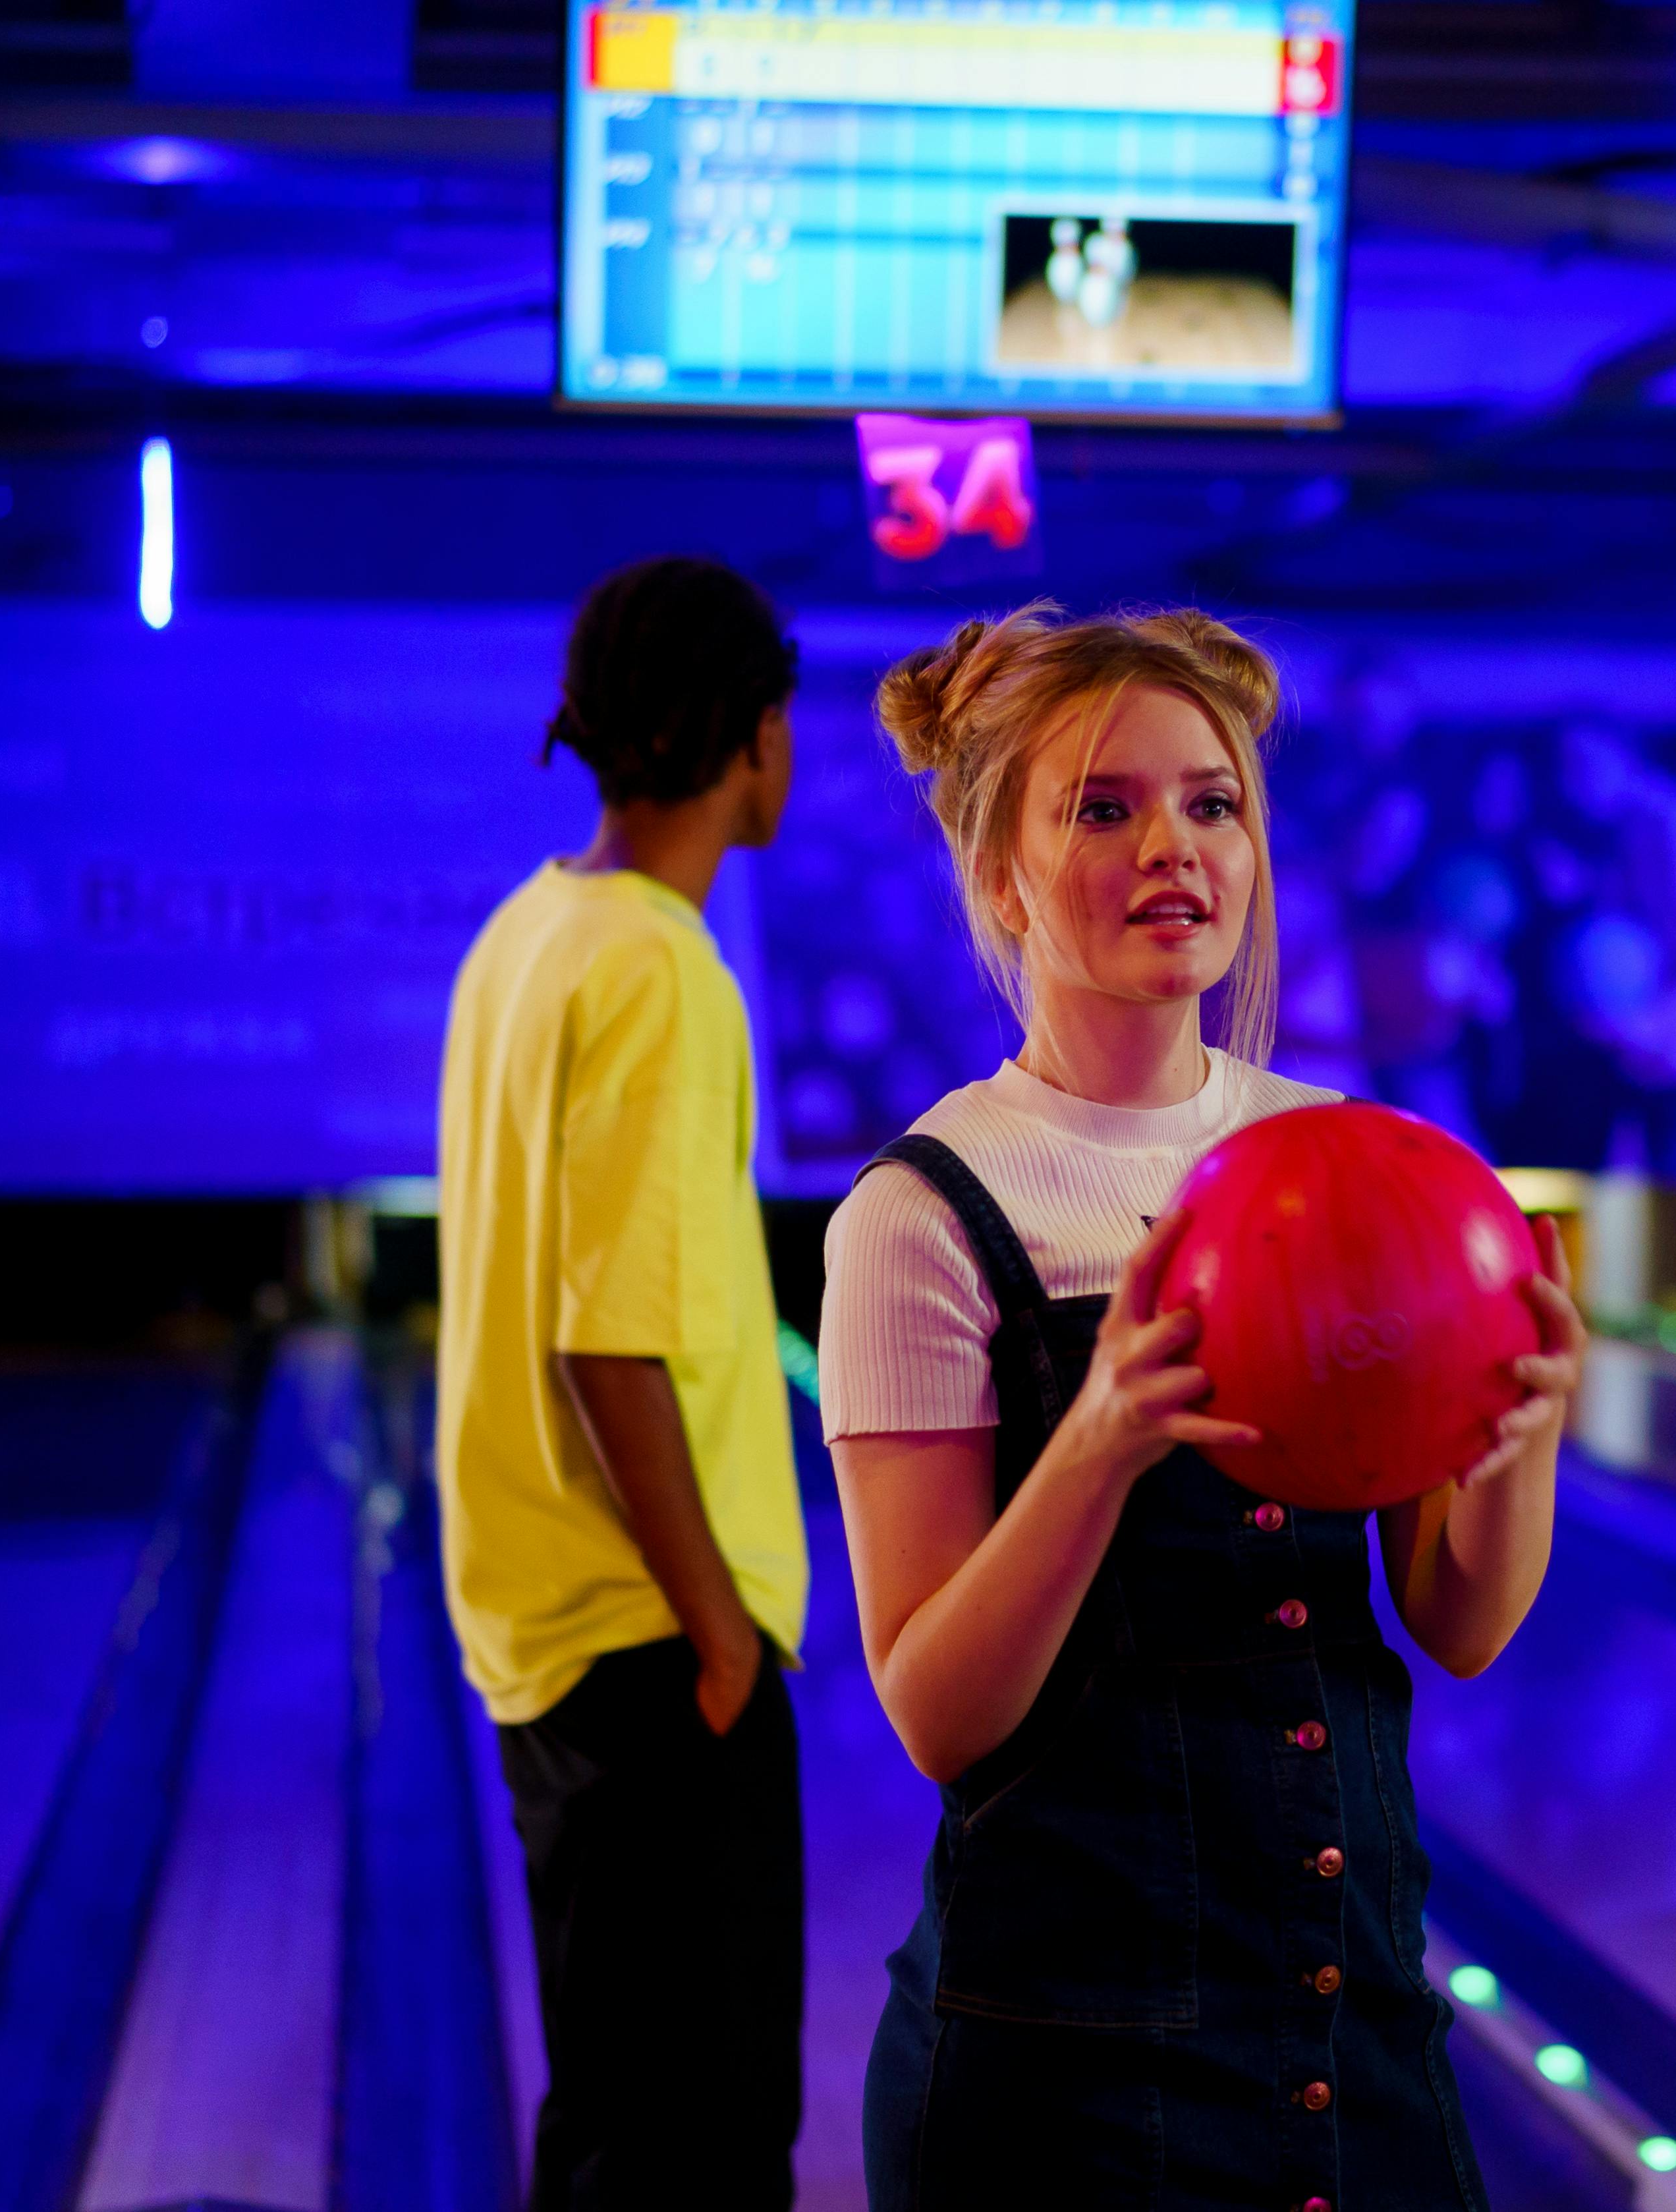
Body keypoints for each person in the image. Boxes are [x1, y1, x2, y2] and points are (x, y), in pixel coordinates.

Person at [814, 604, 1584, 2211]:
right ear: (1003, 873)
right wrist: (1097, 1437)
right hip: (1059, 2068)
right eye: (1104, 806)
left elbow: (1453, 1619)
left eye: (1210, 801)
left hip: (1346, 2016)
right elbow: (936, 1712)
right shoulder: (925, 1213)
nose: (1172, 843)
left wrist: (1523, 1426)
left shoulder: (1352, 1155)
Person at [434, 555, 810, 2211]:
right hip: (653, 1642)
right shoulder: (661, 970)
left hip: (546, 1625)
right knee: (703, 2145)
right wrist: (720, 1630)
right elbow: (608, 1333)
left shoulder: (529, 933)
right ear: (749, 739)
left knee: (615, 2118)